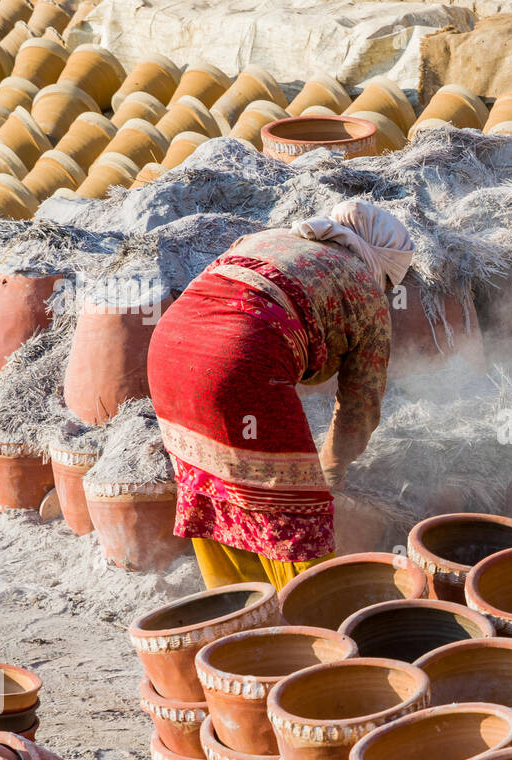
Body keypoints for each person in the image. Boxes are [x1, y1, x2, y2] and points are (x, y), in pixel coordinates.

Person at [147, 199, 414, 591]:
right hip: (238, 366)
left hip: (168, 352)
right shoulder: (363, 286)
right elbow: (362, 404)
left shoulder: (271, 238)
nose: (387, 292)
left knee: (213, 489)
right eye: (390, 283)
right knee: (296, 509)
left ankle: (241, 614)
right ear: (381, 264)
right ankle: (313, 621)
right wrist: (332, 468)